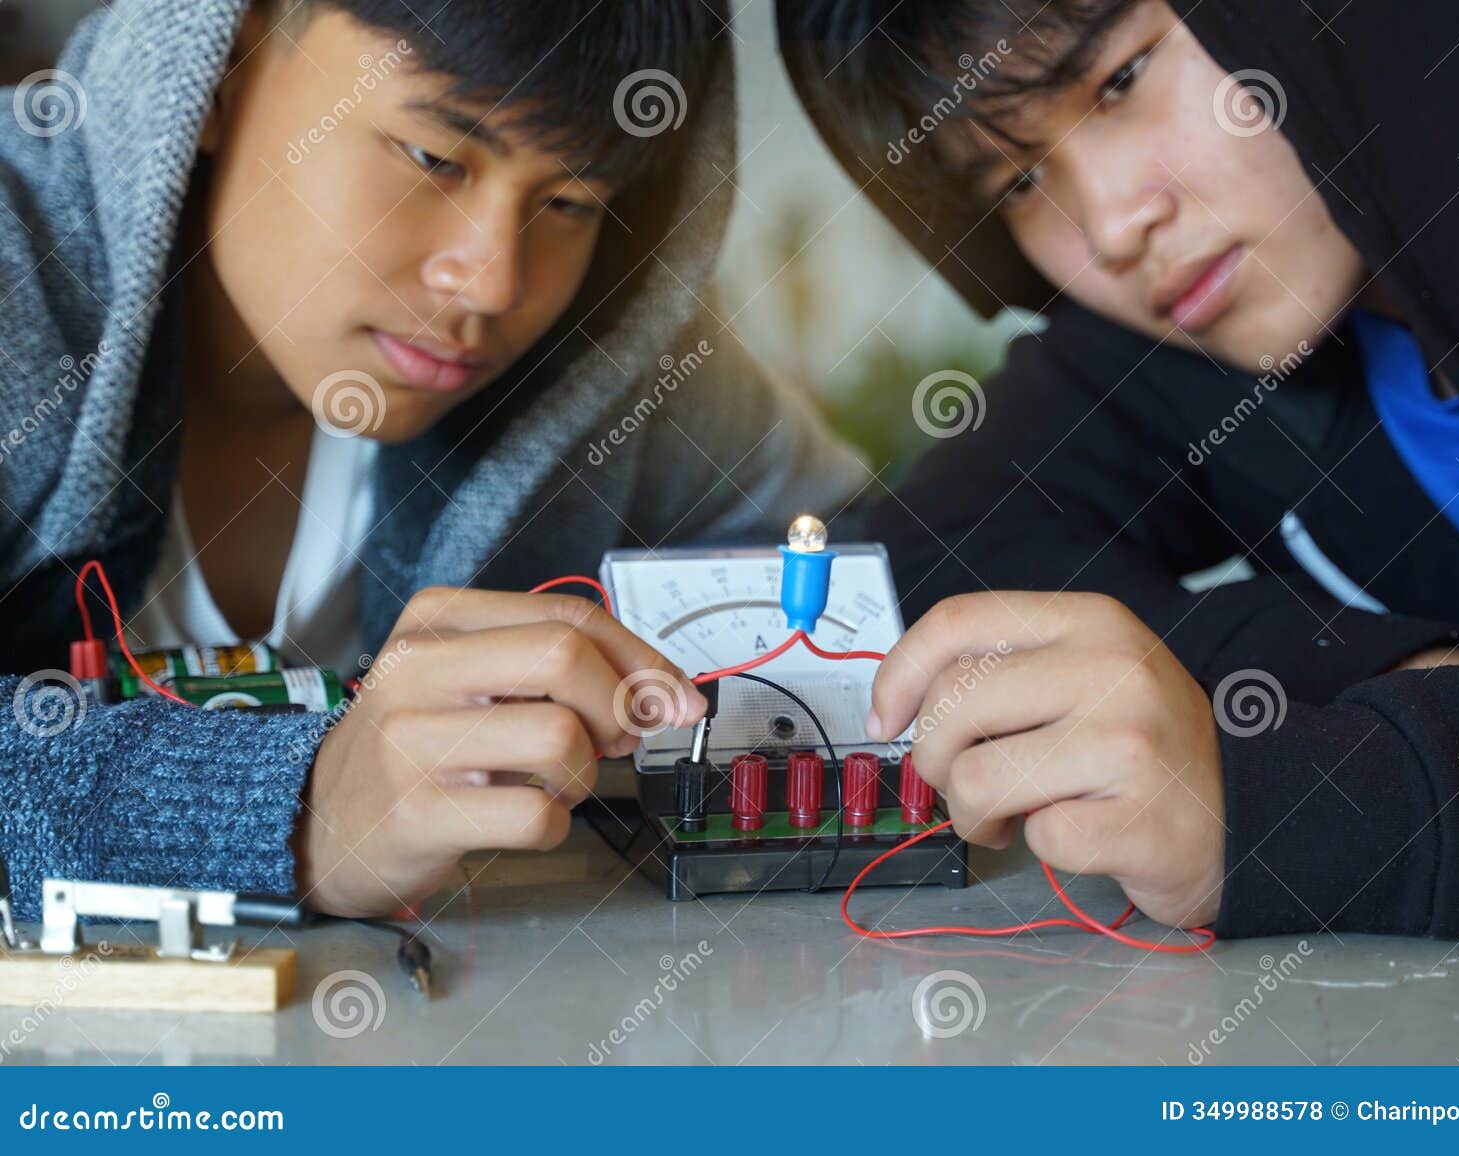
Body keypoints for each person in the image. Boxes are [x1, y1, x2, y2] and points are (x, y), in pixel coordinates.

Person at [0, 0, 865, 919]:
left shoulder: (619, 354)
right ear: (223, 61)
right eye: (432, 158)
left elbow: (862, 581)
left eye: (569, 201)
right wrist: (297, 809)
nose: (492, 281)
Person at [781, 0, 1459, 937]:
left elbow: (1305, 802)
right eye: (1016, 181)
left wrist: (1296, 802)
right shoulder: (1178, 353)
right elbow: (918, 557)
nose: (1110, 226)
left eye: (1121, 79)